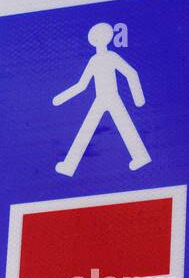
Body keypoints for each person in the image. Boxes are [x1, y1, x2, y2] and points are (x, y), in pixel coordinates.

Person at [52, 22, 152, 176]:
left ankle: (141, 157)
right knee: (88, 129)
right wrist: (61, 98)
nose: (98, 42)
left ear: (105, 39)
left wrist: (138, 98)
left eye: (99, 38)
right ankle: (69, 166)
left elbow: (131, 73)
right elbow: (82, 85)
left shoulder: (112, 56)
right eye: (96, 39)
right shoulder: (93, 60)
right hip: (101, 99)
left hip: (112, 97)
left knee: (123, 127)